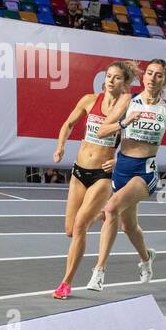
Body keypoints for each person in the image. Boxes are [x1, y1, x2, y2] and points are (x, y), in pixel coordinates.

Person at [85, 59, 166, 290]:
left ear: (165, 80)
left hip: (144, 172)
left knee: (111, 208)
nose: (152, 78)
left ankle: (99, 271)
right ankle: (146, 258)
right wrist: (125, 123)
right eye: (149, 73)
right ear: (143, 77)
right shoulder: (129, 101)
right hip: (121, 168)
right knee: (129, 227)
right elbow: (104, 129)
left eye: (158, 75)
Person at [50, 60, 135, 299]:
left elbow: (135, 143)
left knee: (79, 228)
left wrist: (118, 161)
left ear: (125, 83)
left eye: (117, 77)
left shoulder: (128, 106)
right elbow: (68, 124)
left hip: (102, 175)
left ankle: (66, 283)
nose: (110, 80)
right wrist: (60, 146)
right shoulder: (89, 100)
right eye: (108, 76)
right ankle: (100, 214)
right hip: (79, 172)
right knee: (70, 230)